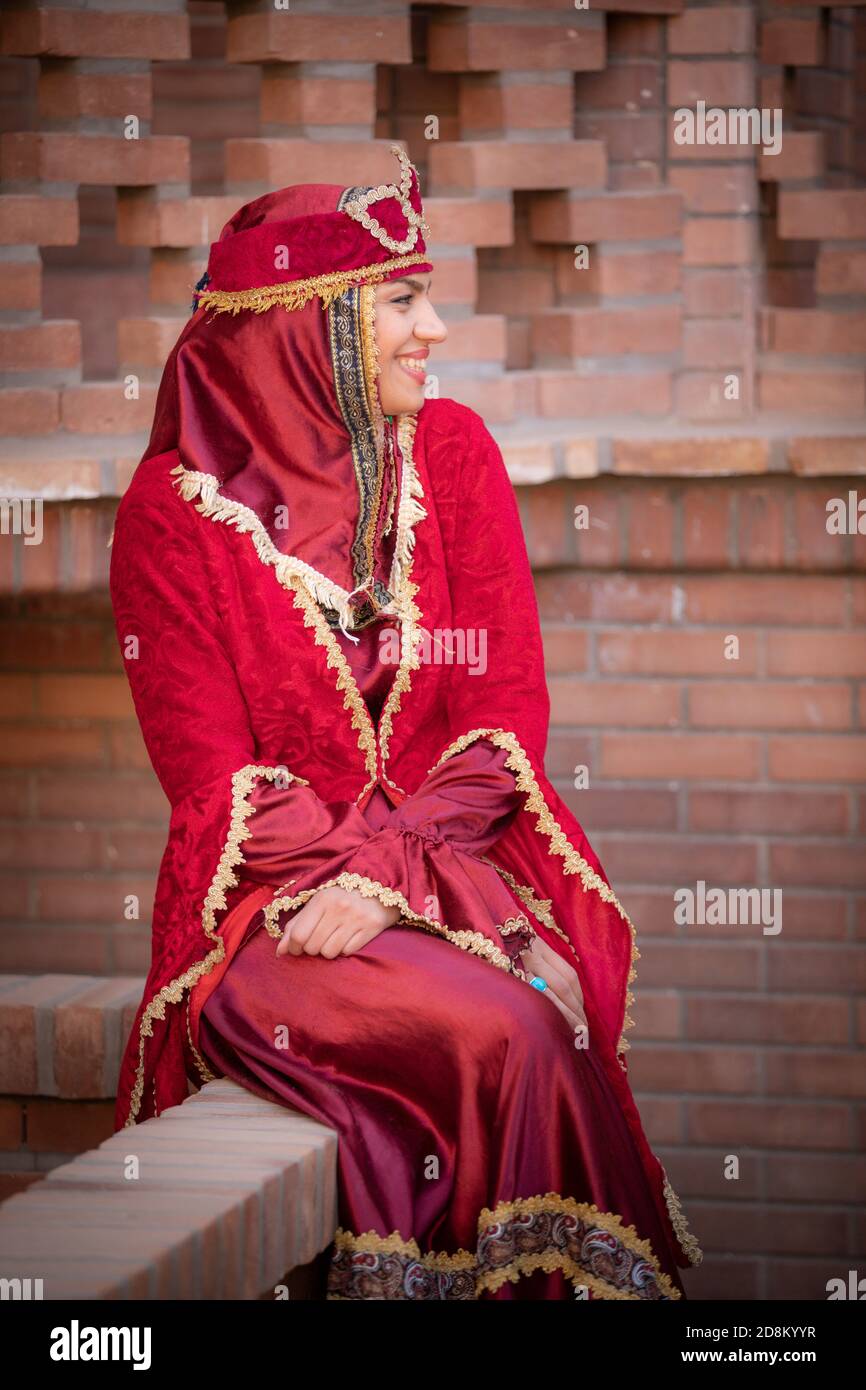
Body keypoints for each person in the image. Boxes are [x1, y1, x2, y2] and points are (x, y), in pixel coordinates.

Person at [109, 144, 702, 1300]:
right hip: (273, 916)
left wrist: (387, 871)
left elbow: (500, 721)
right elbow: (216, 786)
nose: (432, 329)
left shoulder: (455, 458)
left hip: (437, 869)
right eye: (400, 300)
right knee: (507, 1031)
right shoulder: (169, 520)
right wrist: (349, 881)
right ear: (302, 325)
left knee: (545, 1016)